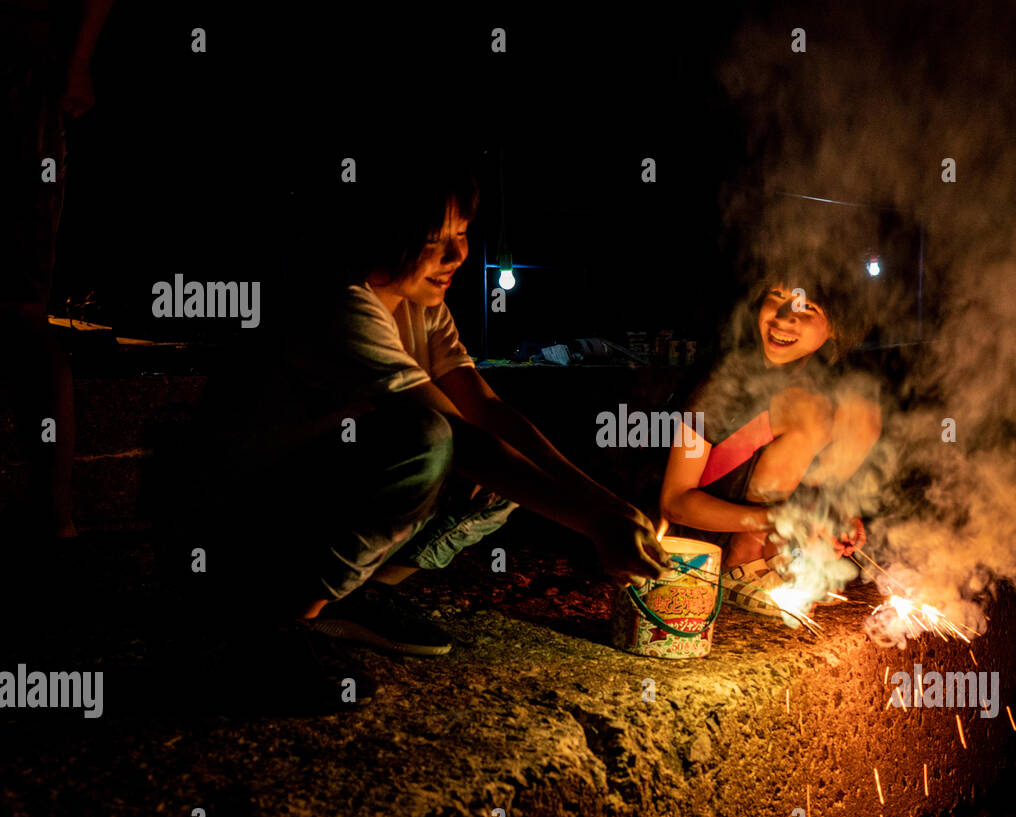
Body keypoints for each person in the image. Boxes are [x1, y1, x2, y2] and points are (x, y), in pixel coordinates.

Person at [181, 160, 669, 656]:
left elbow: (485, 406)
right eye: (436, 239)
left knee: (506, 471)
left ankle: (359, 595)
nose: (459, 253)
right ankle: (280, 626)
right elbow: (461, 438)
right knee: (430, 442)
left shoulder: (423, 302)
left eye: (462, 233)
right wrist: (595, 525)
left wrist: (608, 505)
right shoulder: (338, 303)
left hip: (310, 501)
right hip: (246, 520)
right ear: (382, 232)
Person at [659, 278, 881, 616]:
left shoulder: (815, 383)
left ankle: (783, 555)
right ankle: (743, 563)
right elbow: (674, 503)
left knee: (862, 411)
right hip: (696, 538)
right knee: (808, 411)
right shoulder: (723, 383)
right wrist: (776, 520)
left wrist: (829, 516)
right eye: (777, 295)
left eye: (808, 307)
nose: (785, 316)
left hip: (767, 528)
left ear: (836, 327)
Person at [0, 0, 114, 544]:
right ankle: (54, 515)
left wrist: (76, 62)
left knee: (22, 314)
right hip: (27, 72)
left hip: (23, 75)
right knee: (21, 314)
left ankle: (54, 512)